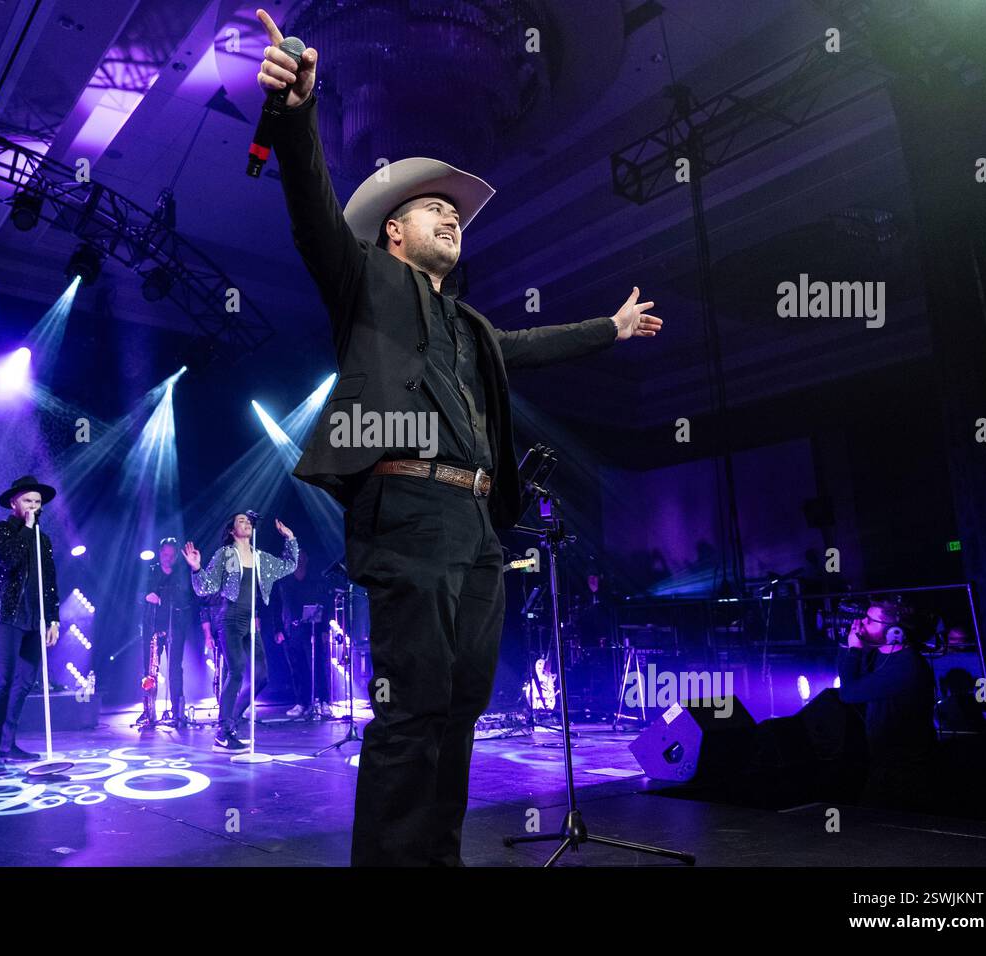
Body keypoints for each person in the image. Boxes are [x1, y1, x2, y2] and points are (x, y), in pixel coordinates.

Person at [255, 9, 663, 865]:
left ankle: (436, 858)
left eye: (456, 211)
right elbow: (310, 211)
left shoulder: (472, 327)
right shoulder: (363, 283)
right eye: (433, 208)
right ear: (394, 232)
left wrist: (610, 329)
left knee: (462, 709)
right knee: (412, 710)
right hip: (406, 516)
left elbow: (530, 347)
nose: (451, 217)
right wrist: (296, 115)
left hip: (478, 531)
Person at [184, 513, 298, 753]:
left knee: (262, 676)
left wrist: (290, 539)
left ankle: (228, 725)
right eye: (241, 521)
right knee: (235, 672)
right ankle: (224, 734)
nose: (246, 523)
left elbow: (289, 565)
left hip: (251, 621)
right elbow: (207, 587)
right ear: (233, 531)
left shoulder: (259, 558)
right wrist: (196, 569)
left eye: (248, 521)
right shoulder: (226, 554)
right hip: (231, 617)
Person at [0, 475, 60, 777]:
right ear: (14, 503)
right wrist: (26, 530)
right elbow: (9, 561)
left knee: (24, 683)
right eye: (28, 501)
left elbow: (49, 582)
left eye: (38, 503)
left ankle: (7, 745)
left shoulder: (44, 540)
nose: (34, 507)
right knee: (2, 680)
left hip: (33, 620)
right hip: (4, 616)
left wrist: (53, 618)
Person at [837, 601, 937, 806]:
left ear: (894, 631)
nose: (862, 623)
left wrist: (854, 650)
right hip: (883, 760)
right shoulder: (878, 654)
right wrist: (848, 645)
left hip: (906, 768)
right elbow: (851, 679)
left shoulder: (907, 666)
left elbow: (848, 694)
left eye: (870, 621)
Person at [141, 536, 195, 730]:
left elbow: (188, 598)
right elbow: (138, 595)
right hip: (152, 627)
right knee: (149, 670)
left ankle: (177, 710)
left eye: (171, 555)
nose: (168, 558)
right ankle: (148, 710)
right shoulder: (151, 572)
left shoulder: (181, 575)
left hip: (175, 627)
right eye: (165, 554)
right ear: (159, 553)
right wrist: (147, 596)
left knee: (175, 669)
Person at [274, 550, 325, 718]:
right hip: (290, 631)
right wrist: (278, 629)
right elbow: (276, 607)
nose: (299, 559)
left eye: (302, 556)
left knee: (316, 665)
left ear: (307, 558)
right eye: (297, 556)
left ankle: (321, 701)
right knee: (297, 668)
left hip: (311, 631)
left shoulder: (314, 580)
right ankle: (301, 702)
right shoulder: (283, 581)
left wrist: (323, 629)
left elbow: (323, 605)